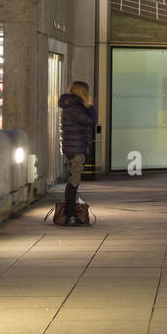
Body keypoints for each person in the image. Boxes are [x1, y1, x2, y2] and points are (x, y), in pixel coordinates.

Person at [58, 80, 96, 226]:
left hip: (72, 148)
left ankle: (71, 215)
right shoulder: (76, 108)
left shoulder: (70, 106)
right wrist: (91, 106)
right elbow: (90, 121)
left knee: (73, 181)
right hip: (76, 149)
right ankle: (71, 216)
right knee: (73, 182)